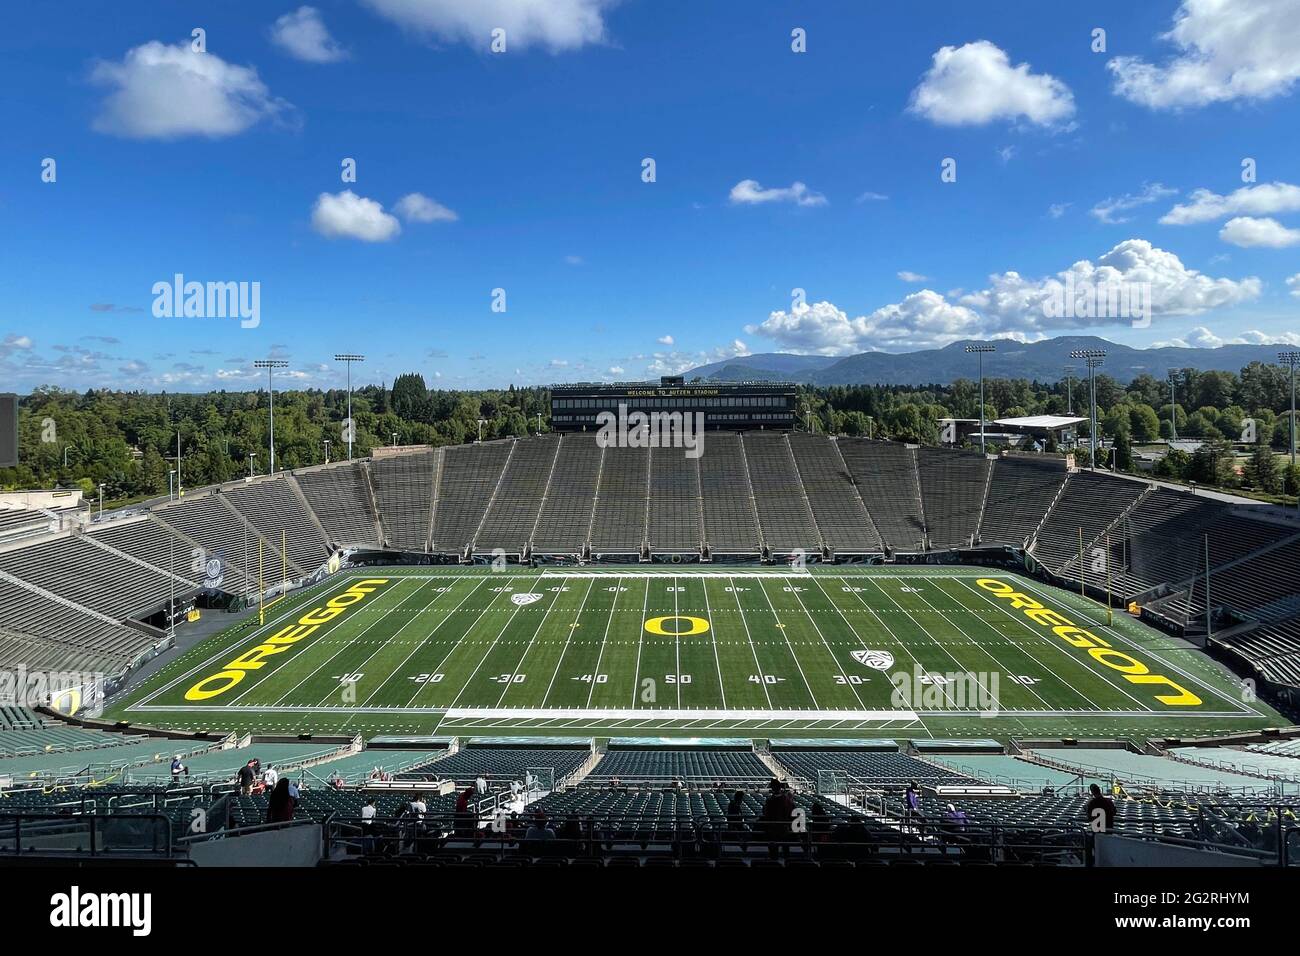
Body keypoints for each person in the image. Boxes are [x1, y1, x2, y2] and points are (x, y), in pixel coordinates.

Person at [760, 779, 796, 859]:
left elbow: (765, 812)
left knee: (774, 850)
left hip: (773, 827)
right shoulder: (786, 799)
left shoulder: (770, 801)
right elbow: (792, 810)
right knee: (785, 849)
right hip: (783, 826)